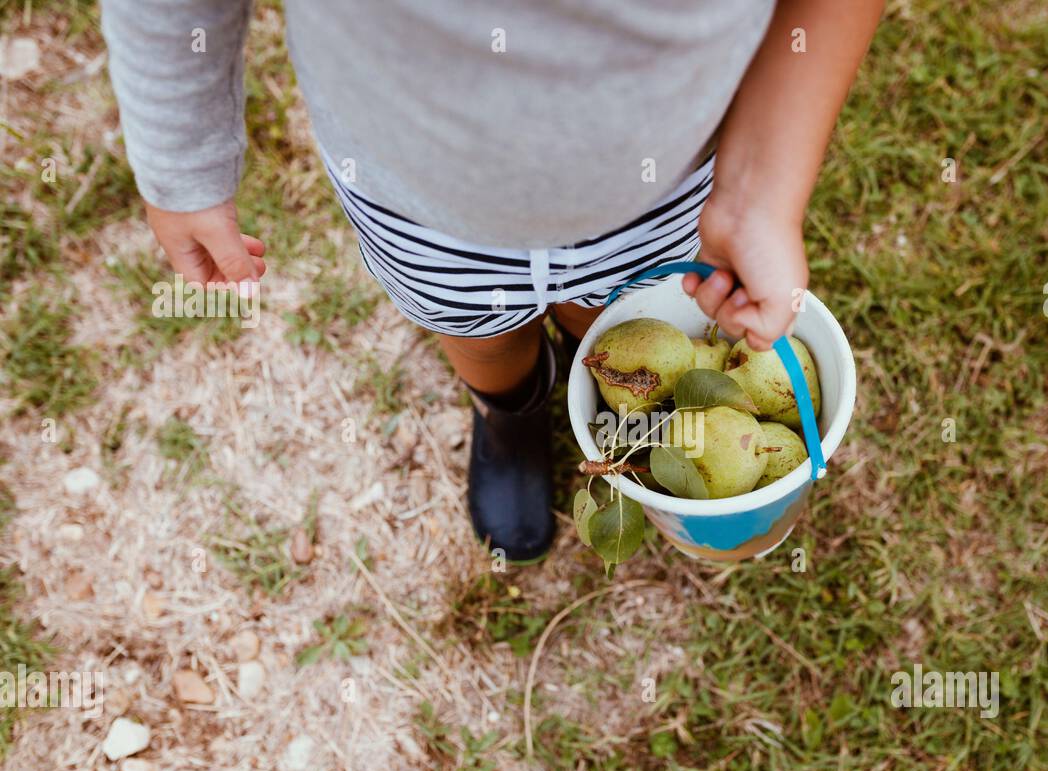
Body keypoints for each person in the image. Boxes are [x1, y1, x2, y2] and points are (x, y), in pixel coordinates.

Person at [101, 0, 886, 563]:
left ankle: (611, 414)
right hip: (416, 197)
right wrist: (181, 160)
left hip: (668, 187)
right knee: (473, 327)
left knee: (614, 329)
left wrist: (761, 194)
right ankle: (510, 412)